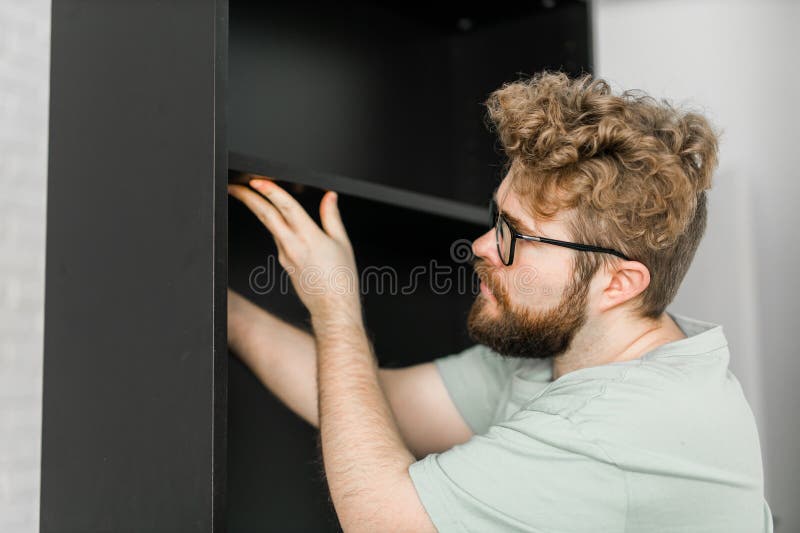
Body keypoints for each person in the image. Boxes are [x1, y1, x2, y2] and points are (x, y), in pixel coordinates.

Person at [227, 71, 773, 532]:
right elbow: (381, 401)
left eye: (517, 235)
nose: (483, 247)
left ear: (618, 282)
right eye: (496, 219)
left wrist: (336, 309)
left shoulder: (622, 425)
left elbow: (382, 519)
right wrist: (221, 311)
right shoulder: (569, 349)